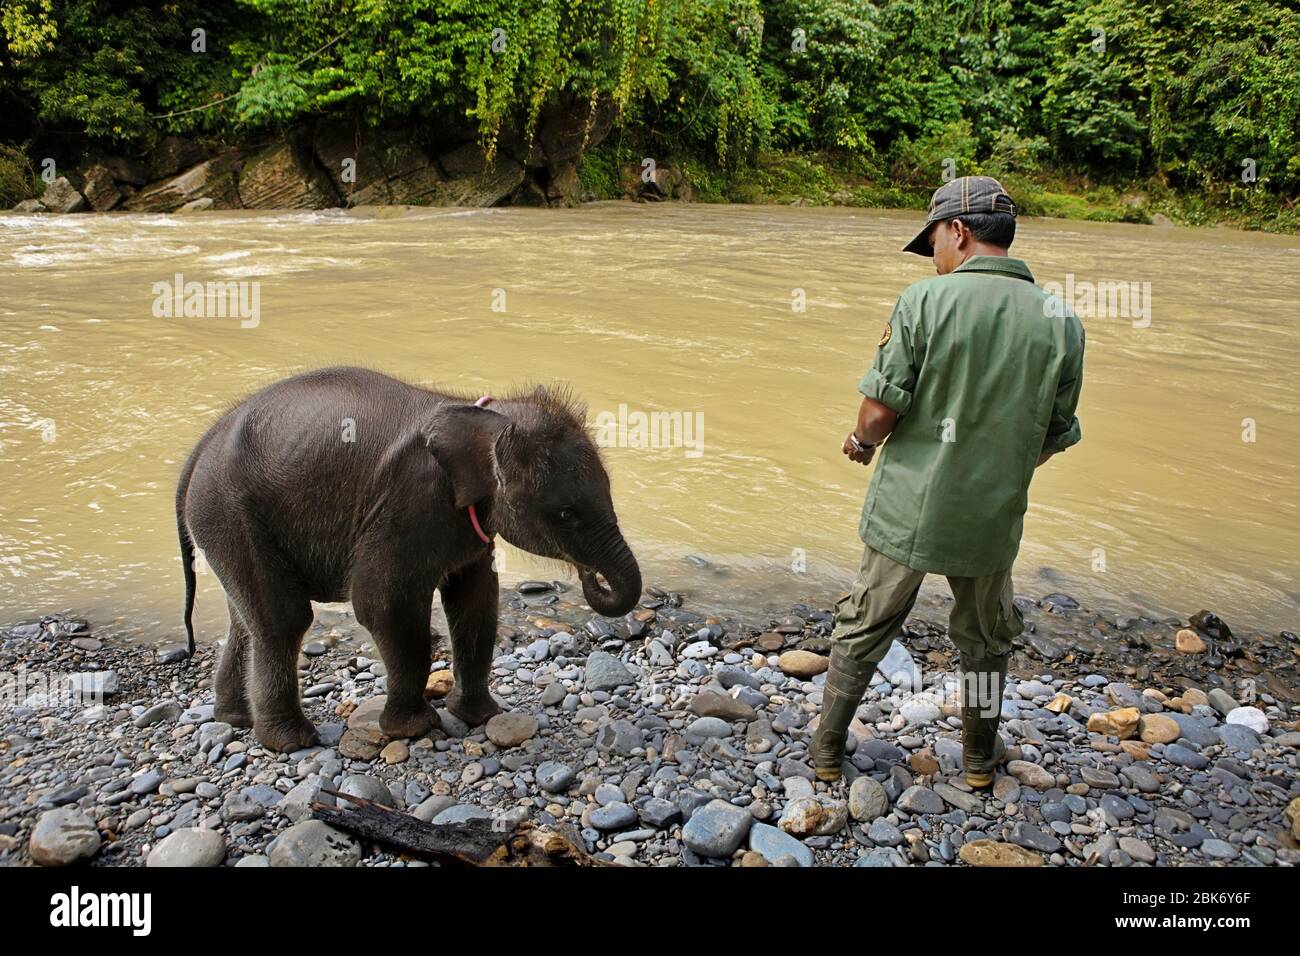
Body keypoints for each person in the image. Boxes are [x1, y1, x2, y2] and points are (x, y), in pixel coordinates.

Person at [812, 176, 1086, 788]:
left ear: (958, 232)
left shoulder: (924, 303)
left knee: (866, 620)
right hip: (991, 514)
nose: (932, 255)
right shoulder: (1061, 320)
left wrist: (860, 443)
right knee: (987, 636)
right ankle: (981, 765)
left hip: (910, 505)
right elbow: (1053, 433)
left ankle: (827, 754)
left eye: (933, 238)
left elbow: (880, 413)